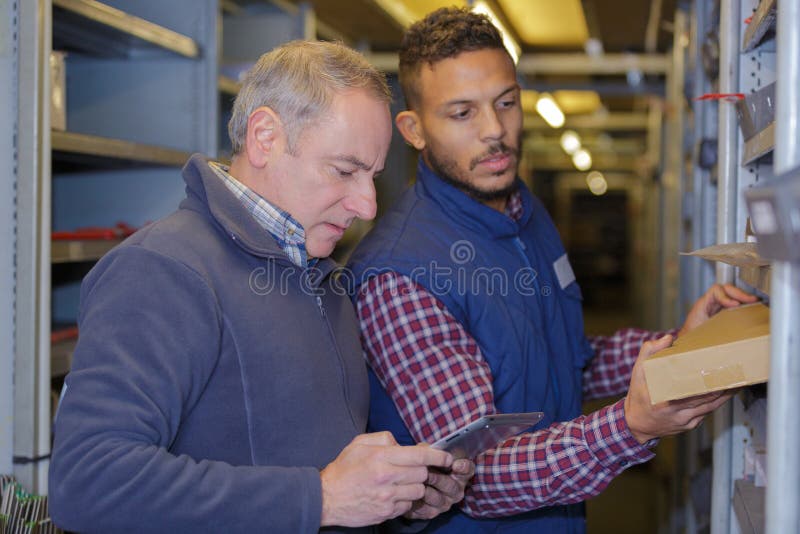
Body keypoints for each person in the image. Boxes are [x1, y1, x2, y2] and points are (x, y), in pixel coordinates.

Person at [346, 8, 757, 533]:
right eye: (462, 113)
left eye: (506, 103)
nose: (495, 131)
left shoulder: (524, 213)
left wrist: (681, 346)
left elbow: (564, 361)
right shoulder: (399, 276)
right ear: (415, 129)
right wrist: (629, 425)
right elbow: (477, 474)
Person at [48, 40, 474, 534]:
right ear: (265, 137)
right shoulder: (163, 270)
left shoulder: (323, 277)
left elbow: (322, 473)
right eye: (344, 171)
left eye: (373, 176)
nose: (367, 205)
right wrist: (323, 498)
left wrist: (395, 500)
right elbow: (88, 481)